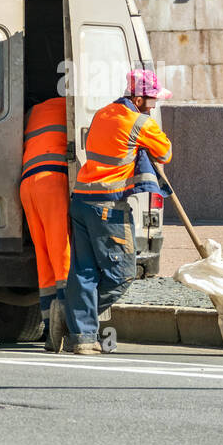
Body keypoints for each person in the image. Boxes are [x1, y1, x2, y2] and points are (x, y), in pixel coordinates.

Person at [62, 70, 173, 355]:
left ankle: (83, 337)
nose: (155, 105)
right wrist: (141, 142)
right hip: (108, 206)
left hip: (82, 199)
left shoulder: (103, 113)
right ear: (138, 98)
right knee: (122, 273)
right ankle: (71, 320)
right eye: (152, 100)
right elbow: (165, 154)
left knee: (84, 272)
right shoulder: (140, 122)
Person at [19, 96, 71, 352]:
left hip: (27, 184)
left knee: (44, 257)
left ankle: (51, 325)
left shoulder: (35, 109)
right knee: (62, 253)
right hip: (52, 178)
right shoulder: (72, 106)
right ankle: (67, 324)